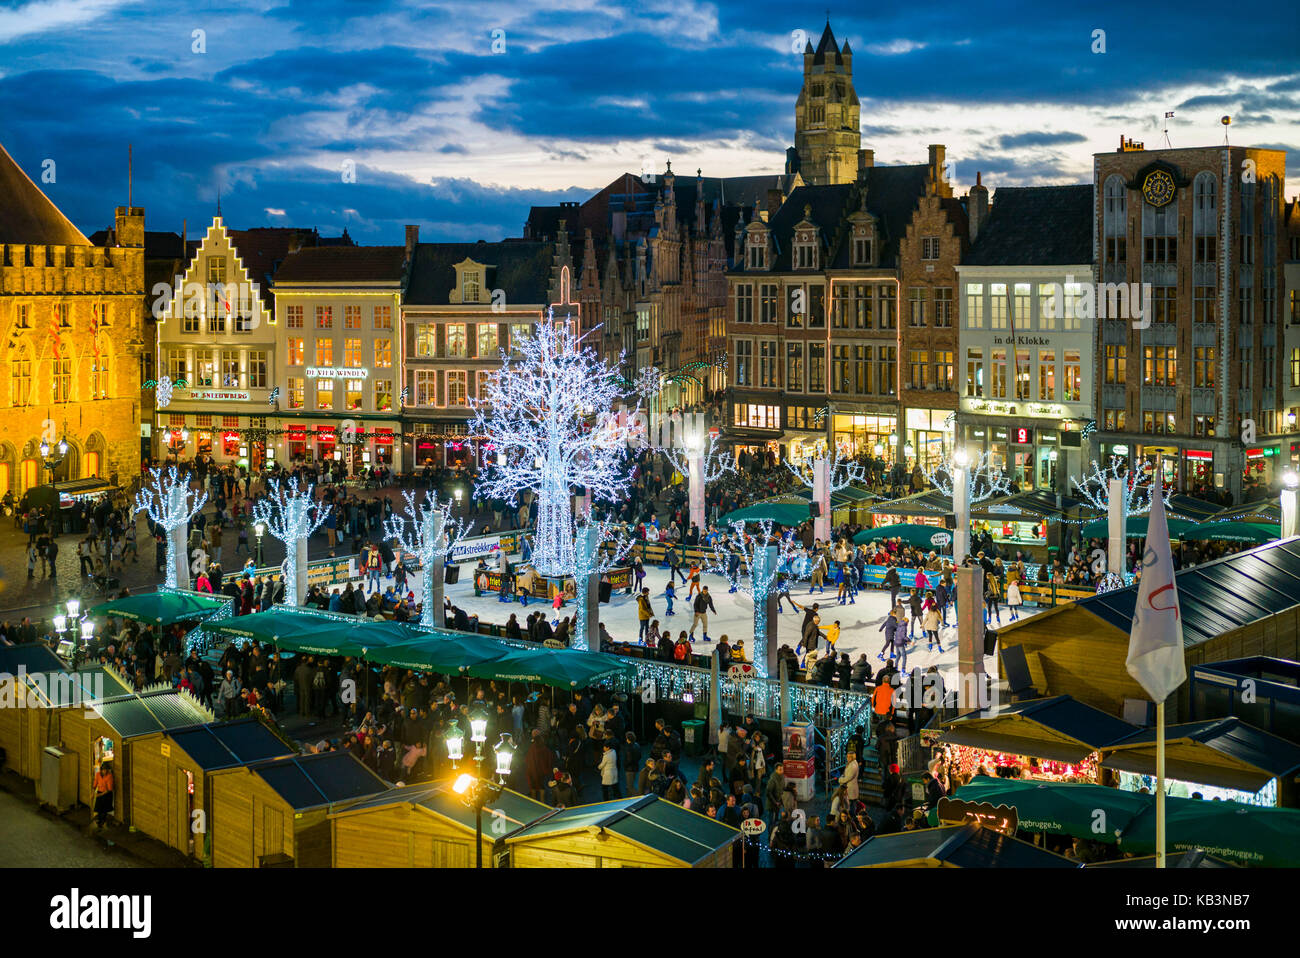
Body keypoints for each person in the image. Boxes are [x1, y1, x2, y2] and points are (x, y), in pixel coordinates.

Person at [92, 760, 114, 829]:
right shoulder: (98, 774)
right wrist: (92, 793)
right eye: (103, 770)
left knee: (104, 809)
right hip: (100, 792)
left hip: (107, 794)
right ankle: (99, 820)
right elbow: (95, 784)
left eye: (106, 770)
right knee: (98, 807)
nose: (105, 771)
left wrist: (100, 795)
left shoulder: (109, 776)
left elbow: (109, 789)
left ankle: (102, 821)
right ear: (101, 770)